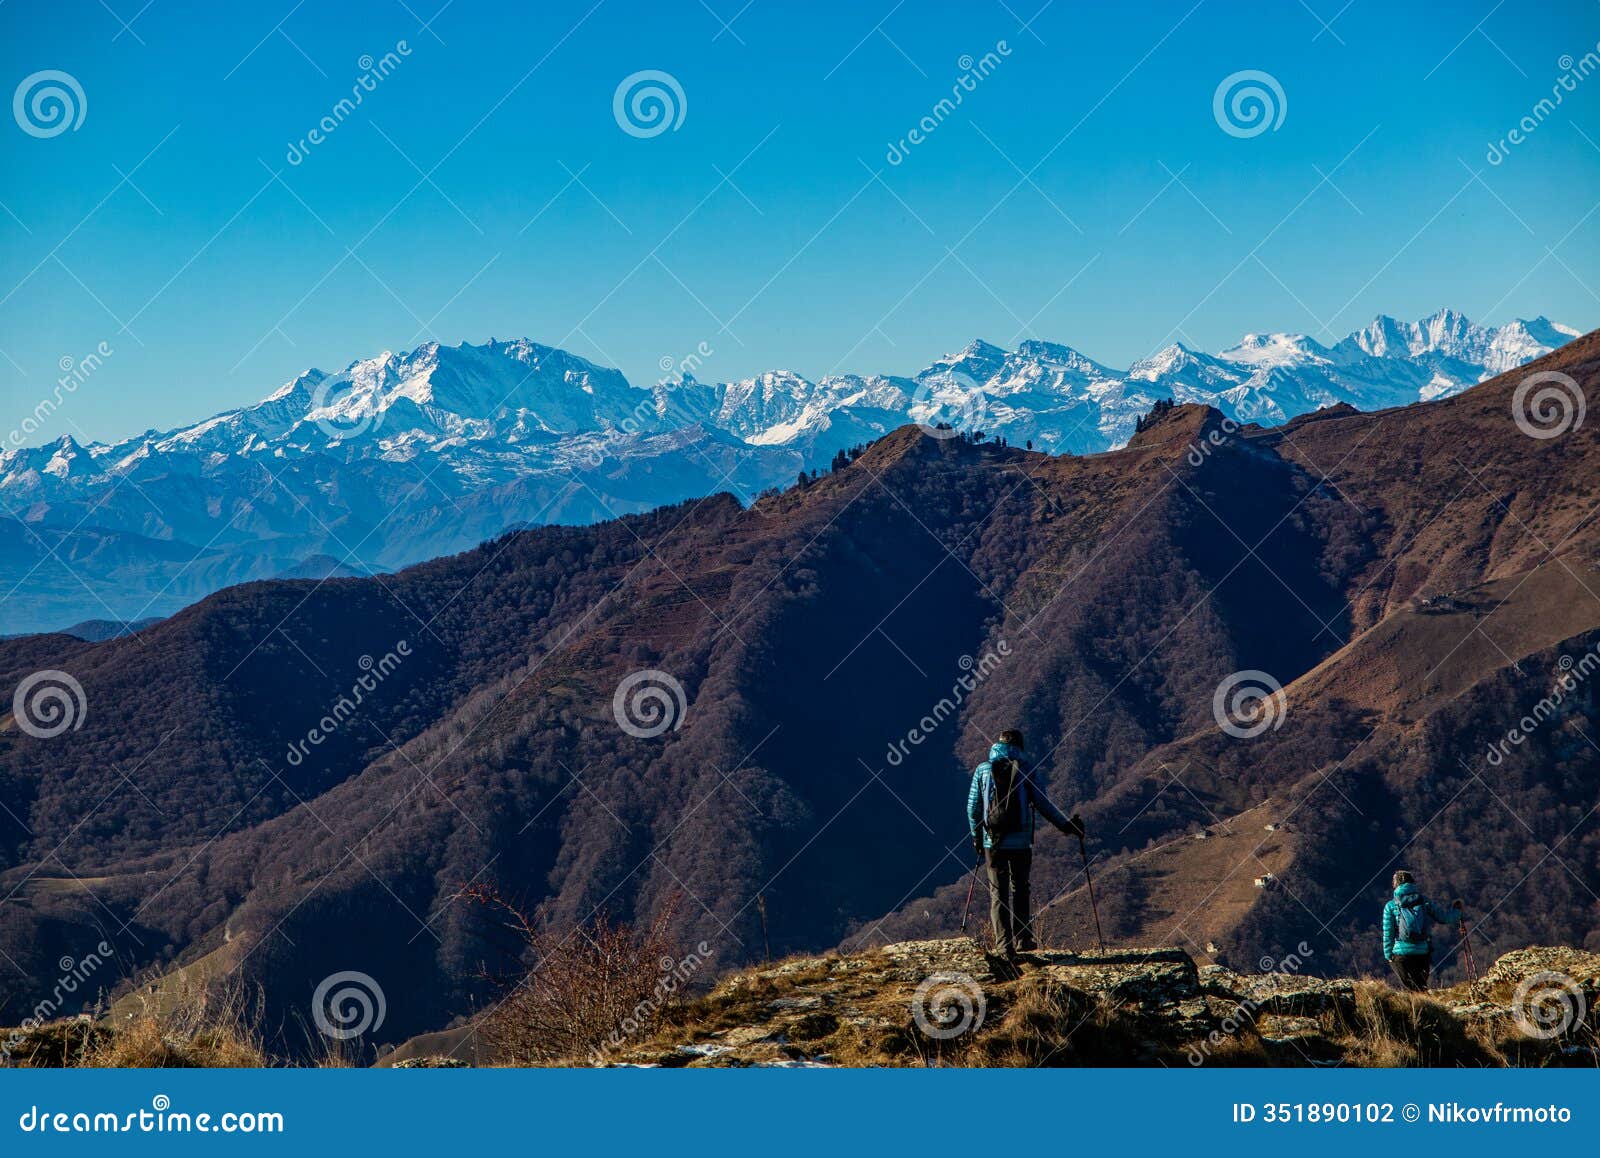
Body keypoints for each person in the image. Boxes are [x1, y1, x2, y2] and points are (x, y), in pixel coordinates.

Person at [966, 729, 1084, 957]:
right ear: (1020, 747)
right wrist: (1066, 826)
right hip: (1020, 843)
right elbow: (1043, 804)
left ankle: (1004, 946)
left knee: (997, 893)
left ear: (997, 745)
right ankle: (1023, 939)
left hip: (993, 842)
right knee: (1020, 888)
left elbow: (973, 808)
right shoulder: (1026, 770)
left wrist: (977, 837)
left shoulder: (982, 770)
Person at [1381, 869, 1462, 991]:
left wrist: (1388, 955)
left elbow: (1388, 934)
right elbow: (1444, 918)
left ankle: (1417, 1009)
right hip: (1422, 952)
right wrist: (1458, 912)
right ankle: (1425, 1008)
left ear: (1395, 884)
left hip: (1401, 954)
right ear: (1412, 883)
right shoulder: (1424, 901)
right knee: (1420, 989)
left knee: (1412, 991)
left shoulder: (1391, 906)